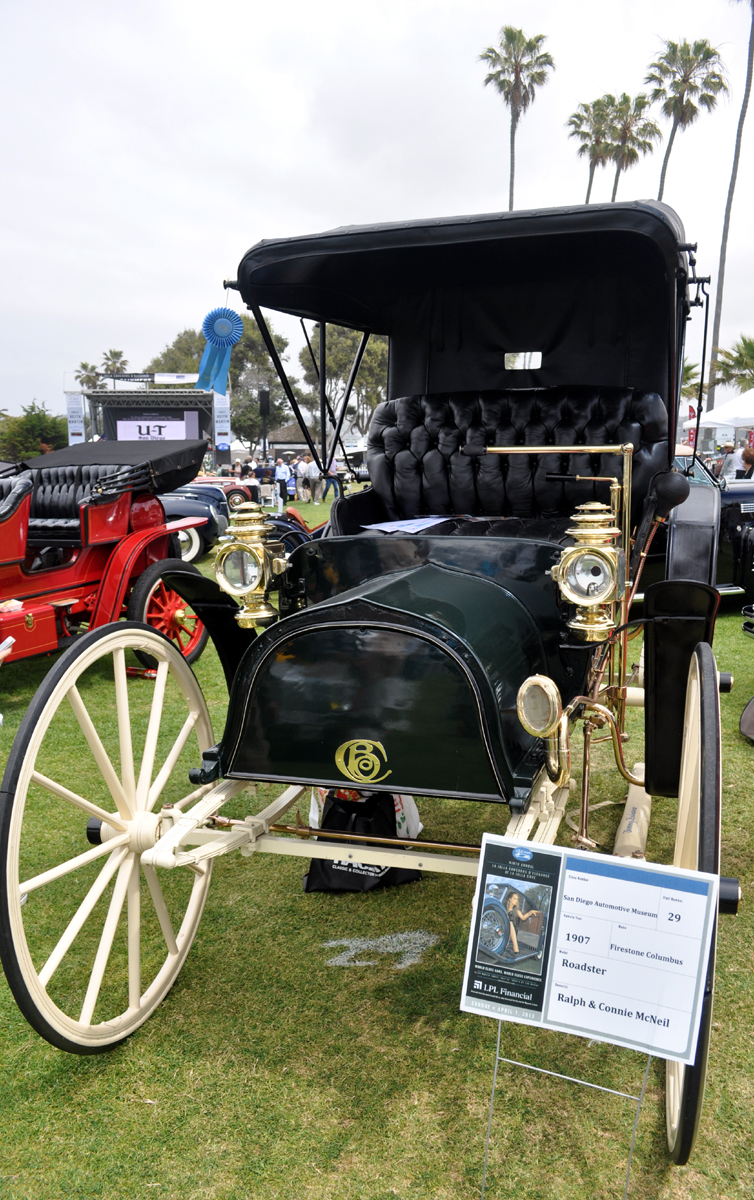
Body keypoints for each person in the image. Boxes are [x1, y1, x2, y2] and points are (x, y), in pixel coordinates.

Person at [504, 891, 542, 957]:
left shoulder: (516, 910)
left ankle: (516, 949)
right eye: (514, 898)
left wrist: (530, 912)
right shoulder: (504, 908)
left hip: (510, 927)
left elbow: (523, 918)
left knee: (510, 924)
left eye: (517, 899)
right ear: (510, 899)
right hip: (502, 926)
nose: (516, 901)